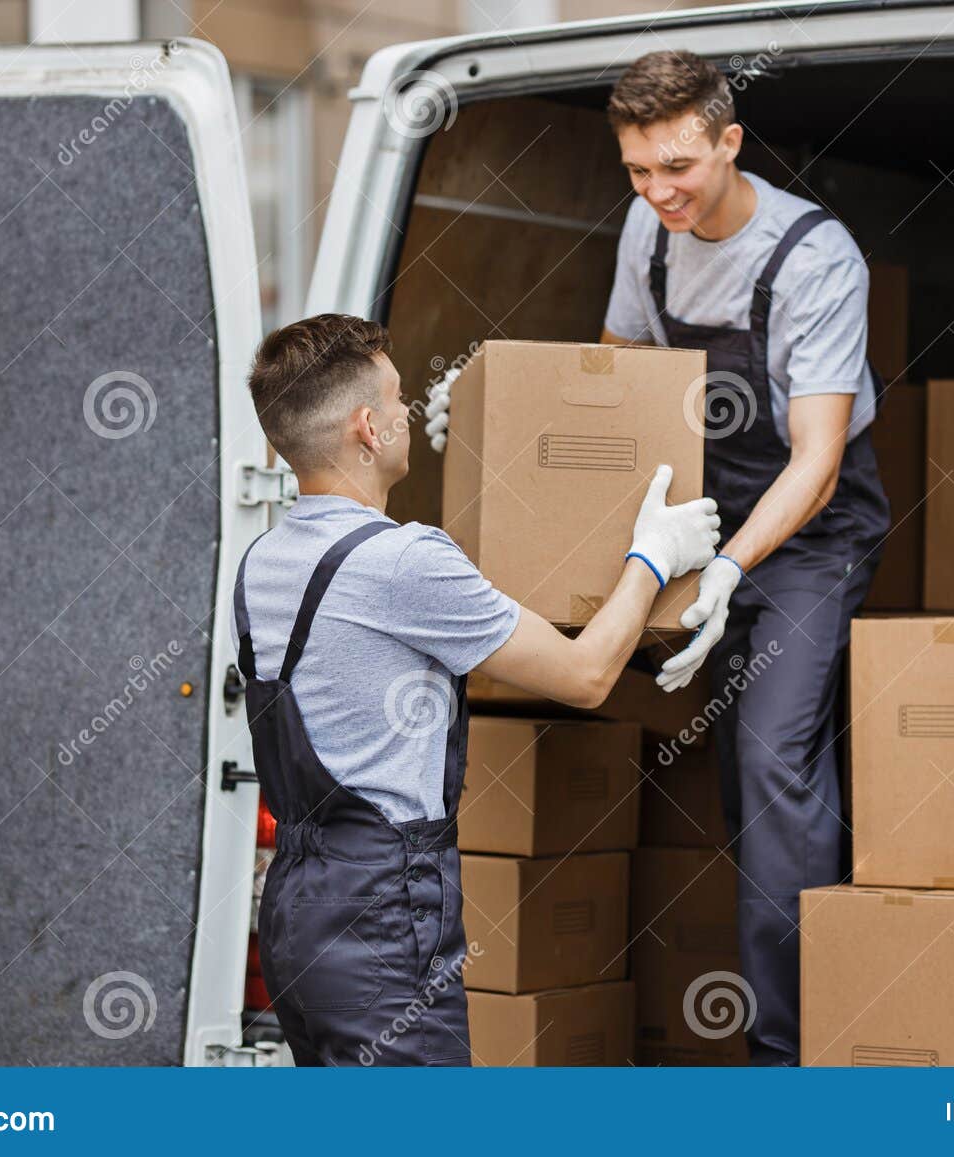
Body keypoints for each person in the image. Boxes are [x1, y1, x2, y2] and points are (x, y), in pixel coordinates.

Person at [427, 50, 891, 1066]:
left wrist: (725, 576)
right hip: (698, 516)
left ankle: (795, 1055)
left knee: (773, 759)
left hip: (808, 535)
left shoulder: (815, 258)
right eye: (637, 170)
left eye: (677, 166)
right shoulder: (650, 229)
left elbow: (815, 459)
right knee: (717, 758)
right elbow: (618, 381)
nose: (658, 191)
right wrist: (483, 421)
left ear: (729, 141)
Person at [233, 313, 720, 1066]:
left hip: (298, 917)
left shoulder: (262, 560)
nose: (409, 413)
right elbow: (586, 675)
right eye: (398, 399)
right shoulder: (405, 564)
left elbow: (451, 632)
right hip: (383, 922)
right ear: (368, 428)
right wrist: (651, 560)